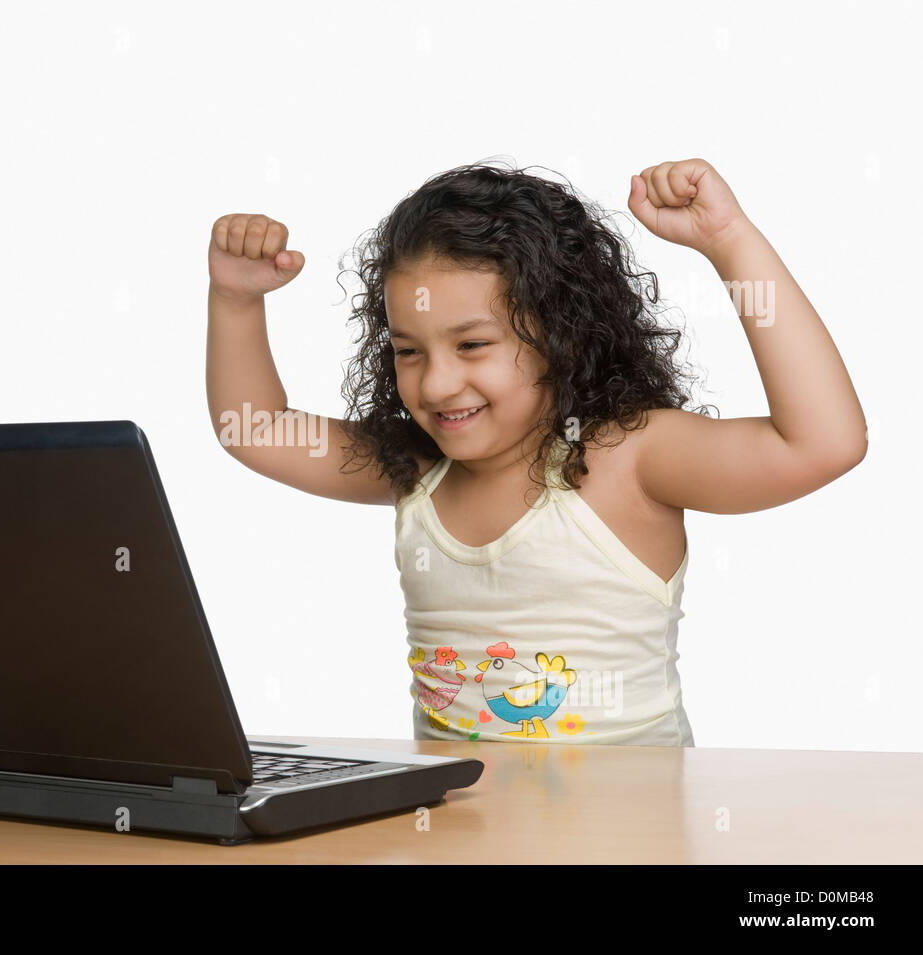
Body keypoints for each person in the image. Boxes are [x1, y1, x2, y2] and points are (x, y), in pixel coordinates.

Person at [205, 157, 867, 745]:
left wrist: (729, 243)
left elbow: (823, 442)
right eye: (409, 350)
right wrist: (236, 299)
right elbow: (253, 427)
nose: (435, 383)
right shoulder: (415, 463)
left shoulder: (629, 457)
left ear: (561, 335)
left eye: (472, 345)